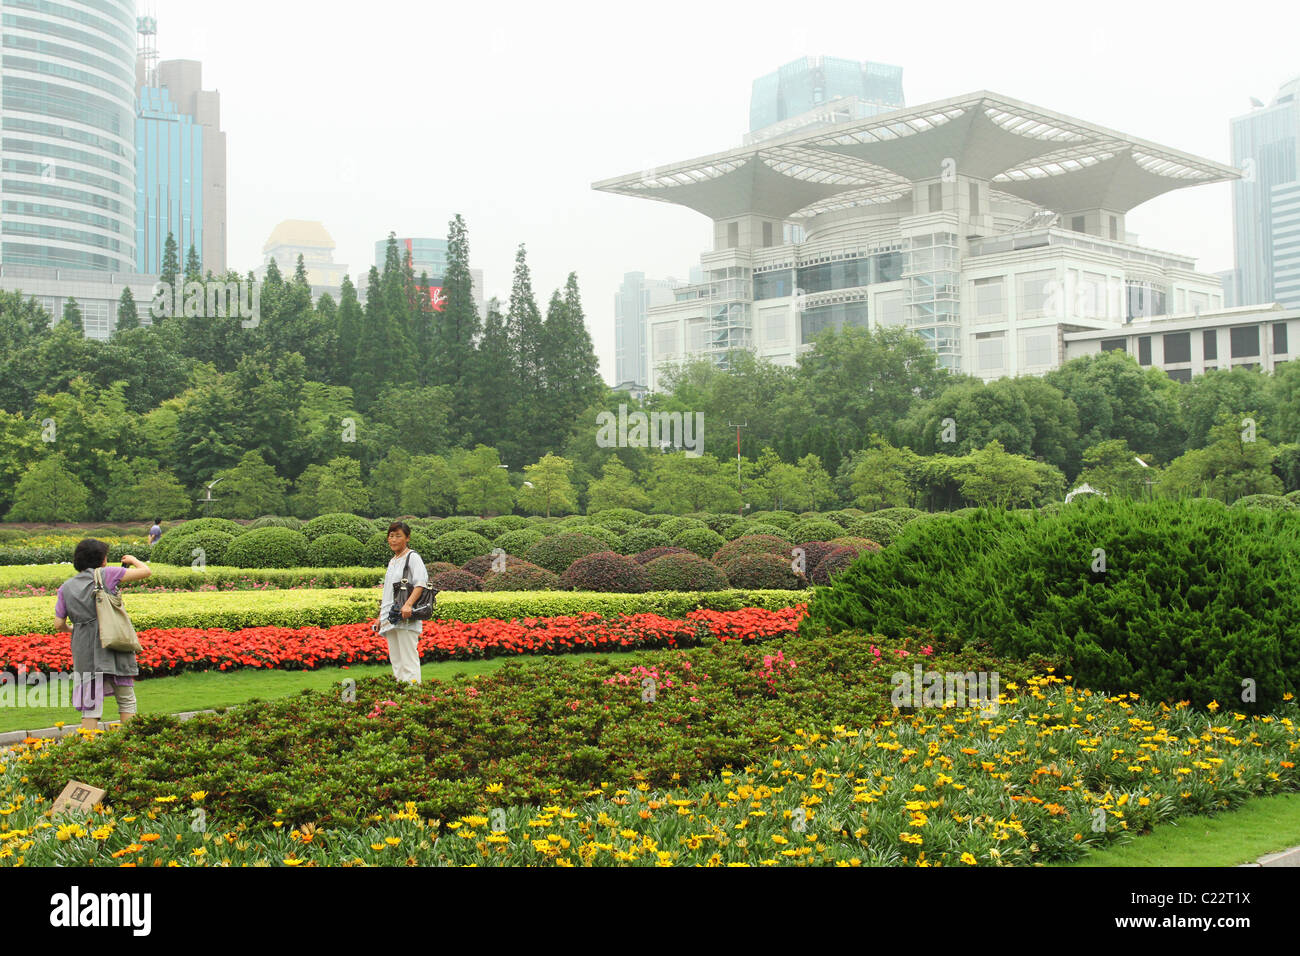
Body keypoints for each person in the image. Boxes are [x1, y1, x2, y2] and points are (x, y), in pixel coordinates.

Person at [53, 540, 152, 730]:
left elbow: (59, 624)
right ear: (103, 560)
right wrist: (133, 560)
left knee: (90, 705)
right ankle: (128, 742)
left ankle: (89, 749)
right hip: (113, 640)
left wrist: (75, 630)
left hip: (84, 647)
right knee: (125, 698)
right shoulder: (107, 574)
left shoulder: (66, 587)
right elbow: (146, 571)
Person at [372, 521, 427, 684]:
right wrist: (380, 616)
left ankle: (413, 697)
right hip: (390, 616)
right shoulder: (393, 560)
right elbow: (388, 592)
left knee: (408, 660)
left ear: (407, 538)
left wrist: (408, 604)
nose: (393, 540)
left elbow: (421, 583)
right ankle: (400, 695)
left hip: (406, 616)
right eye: (391, 536)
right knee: (396, 660)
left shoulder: (413, 557)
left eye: (398, 536)